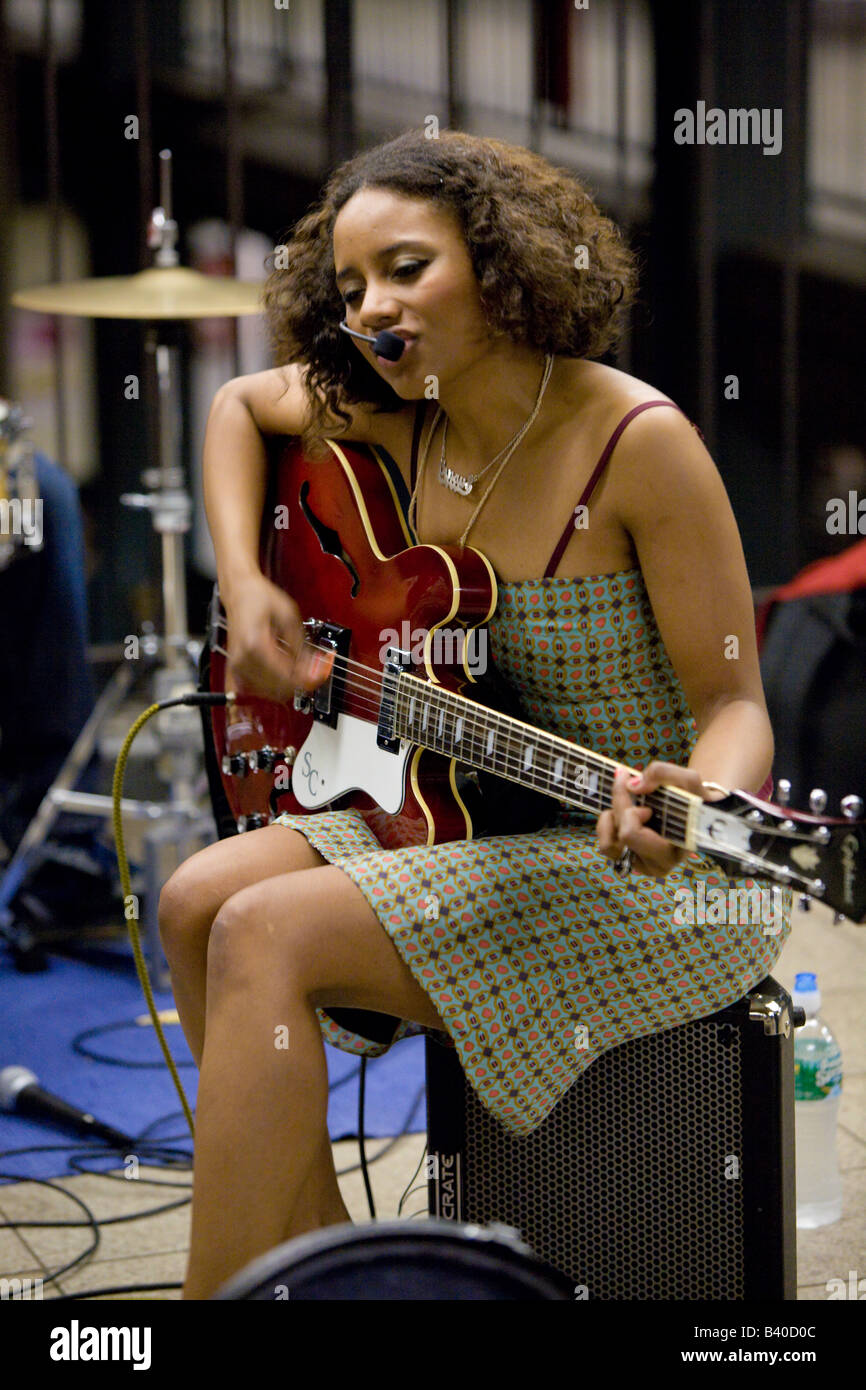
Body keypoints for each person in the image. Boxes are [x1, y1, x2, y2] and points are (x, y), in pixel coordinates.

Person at [158, 128, 792, 1299]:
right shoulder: (409, 415)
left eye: (406, 269)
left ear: (503, 270)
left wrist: (696, 796)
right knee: (196, 895)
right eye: (349, 288)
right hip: (475, 812)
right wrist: (245, 584)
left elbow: (734, 704)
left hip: (639, 872)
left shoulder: (637, 444)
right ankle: (335, 1268)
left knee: (264, 932)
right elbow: (240, 408)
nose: (373, 308)